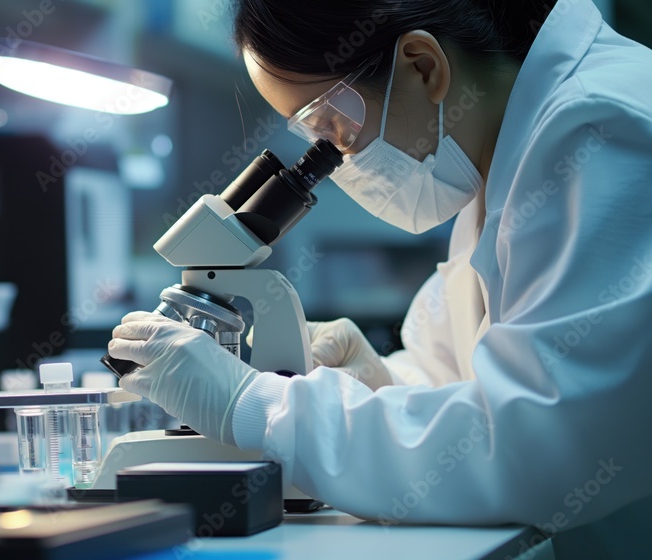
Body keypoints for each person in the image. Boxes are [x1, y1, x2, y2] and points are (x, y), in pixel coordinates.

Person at [107, 0, 652, 557]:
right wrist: (386, 384)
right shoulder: (505, 160)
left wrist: (253, 404)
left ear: (422, 66)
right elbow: (475, 388)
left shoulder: (602, 131)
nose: (334, 153)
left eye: (331, 123)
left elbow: (540, 449)